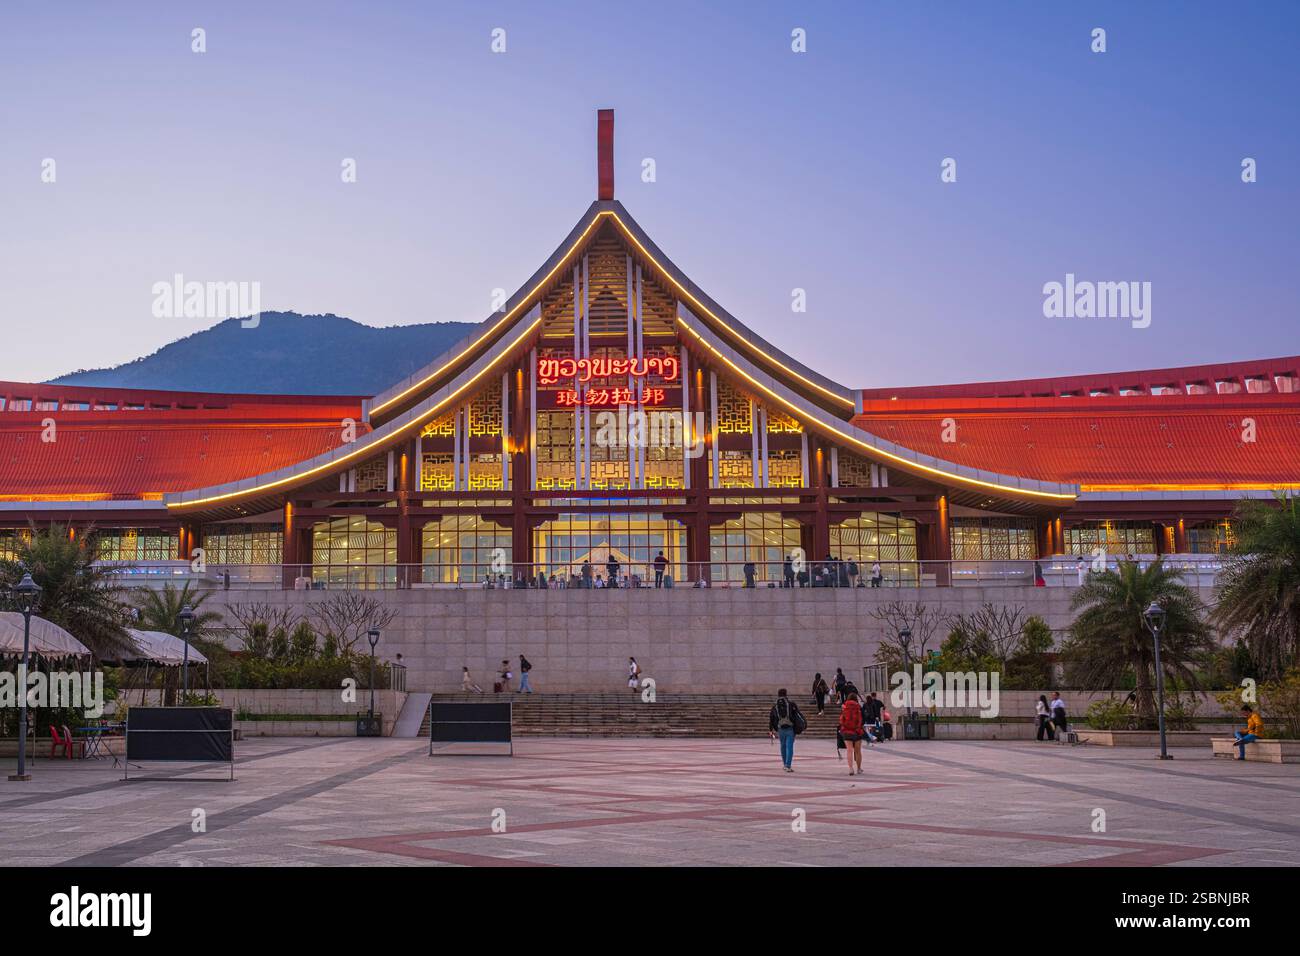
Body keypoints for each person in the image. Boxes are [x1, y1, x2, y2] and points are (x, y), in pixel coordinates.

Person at [768, 688, 807, 772]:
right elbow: (797, 715)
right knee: (789, 747)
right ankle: (787, 765)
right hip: (790, 728)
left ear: (778, 695)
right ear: (786, 694)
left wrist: (771, 730)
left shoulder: (775, 706)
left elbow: (771, 719)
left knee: (783, 746)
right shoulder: (791, 704)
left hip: (780, 729)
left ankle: (785, 764)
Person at [839, 691, 866, 775]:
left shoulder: (844, 706)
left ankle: (851, 769)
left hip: (846, 731)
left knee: (849, 750)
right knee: (858, 751)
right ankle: (859, 768)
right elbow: (863, 719)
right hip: (857, 731)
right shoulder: (859, 707)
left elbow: (841, 719)